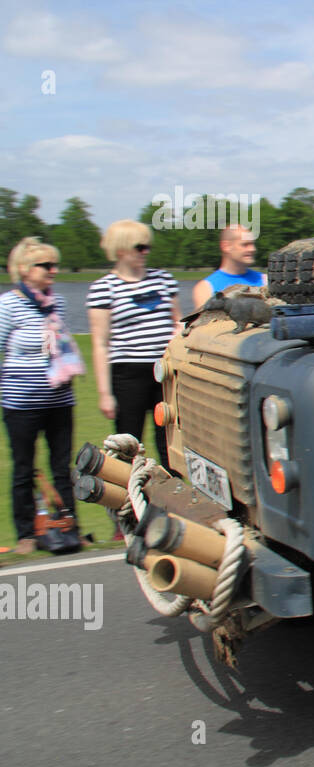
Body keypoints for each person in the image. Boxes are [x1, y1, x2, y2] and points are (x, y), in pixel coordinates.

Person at [1, 238, 86, 554]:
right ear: (24, 270)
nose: (54, 270)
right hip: (21, 402)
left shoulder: (57, 302)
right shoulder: (9, 304)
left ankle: (68, 527)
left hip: (60, 400)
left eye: (55, 264)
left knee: (62, 467)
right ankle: (26, 535)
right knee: (23, 468)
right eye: (46, 265)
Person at [88, 220, 180, 473]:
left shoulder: (163, 279)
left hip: (164, 370)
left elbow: (177, 324)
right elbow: (99, 342)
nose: (146, 252)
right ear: (121, 250)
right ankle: (131, 504)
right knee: (129, 444)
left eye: (147, 246)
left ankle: (175, 500)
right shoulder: (103, 288)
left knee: (171, 441)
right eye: (140, 247)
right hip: (128, 373)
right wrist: (105, 393)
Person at [191, 223, 264, 311]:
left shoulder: (265, 280)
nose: (253, 249)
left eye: (253, 244)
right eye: (245, 244)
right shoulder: (205, 289)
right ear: (226, 246)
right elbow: (203, 323)